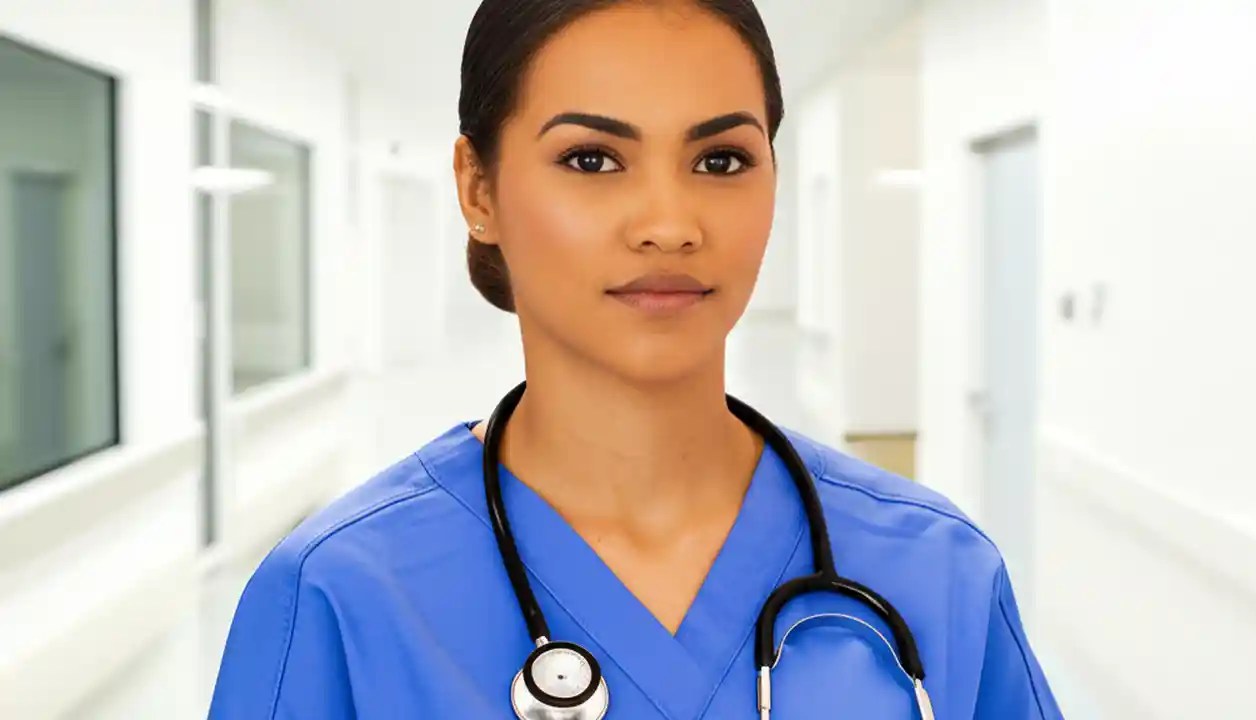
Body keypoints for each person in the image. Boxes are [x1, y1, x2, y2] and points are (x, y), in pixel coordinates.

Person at [208, 1, 1063, 717]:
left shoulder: (935, 567)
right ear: (479, 190)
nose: (670, 222)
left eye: (720, 159)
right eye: (593, 159)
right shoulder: (341, 595)